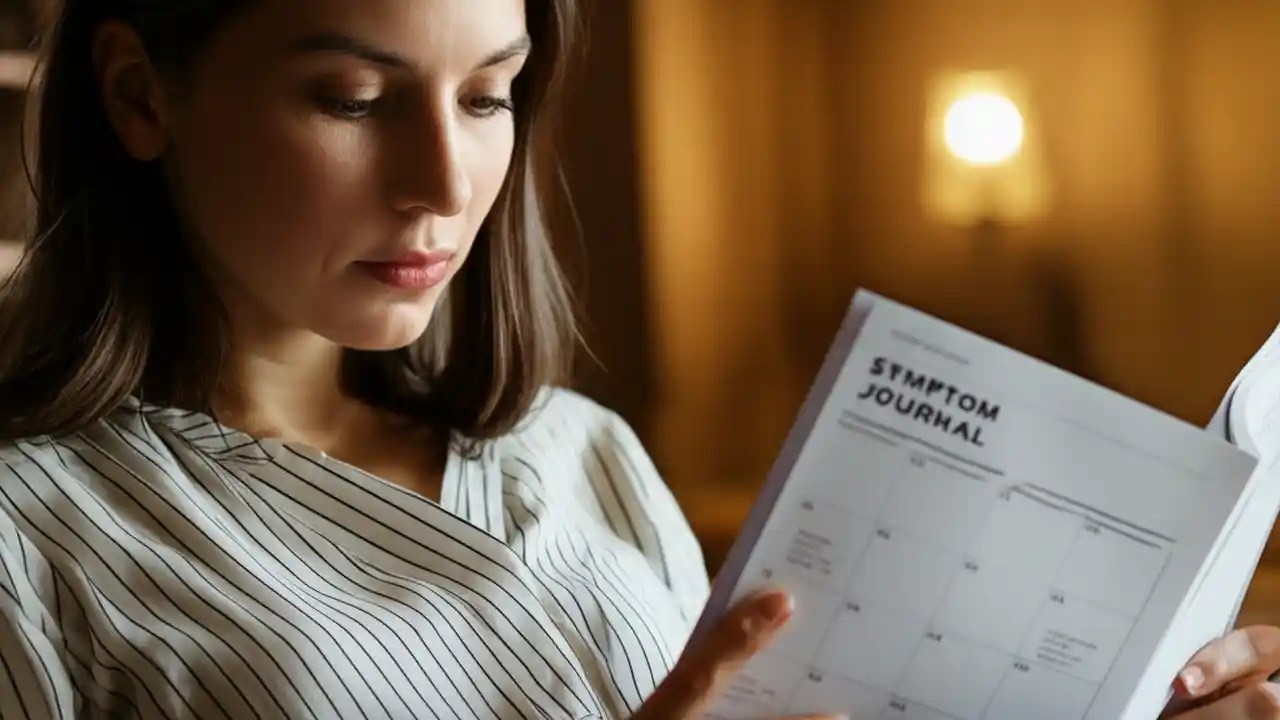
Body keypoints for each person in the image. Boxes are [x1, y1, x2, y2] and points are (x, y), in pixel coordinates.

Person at [0, 1, 1274, 718]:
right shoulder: (34, 532)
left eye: (488, 96)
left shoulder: (574, 449)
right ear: (139, 95)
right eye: (352, 98)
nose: (446, 183)